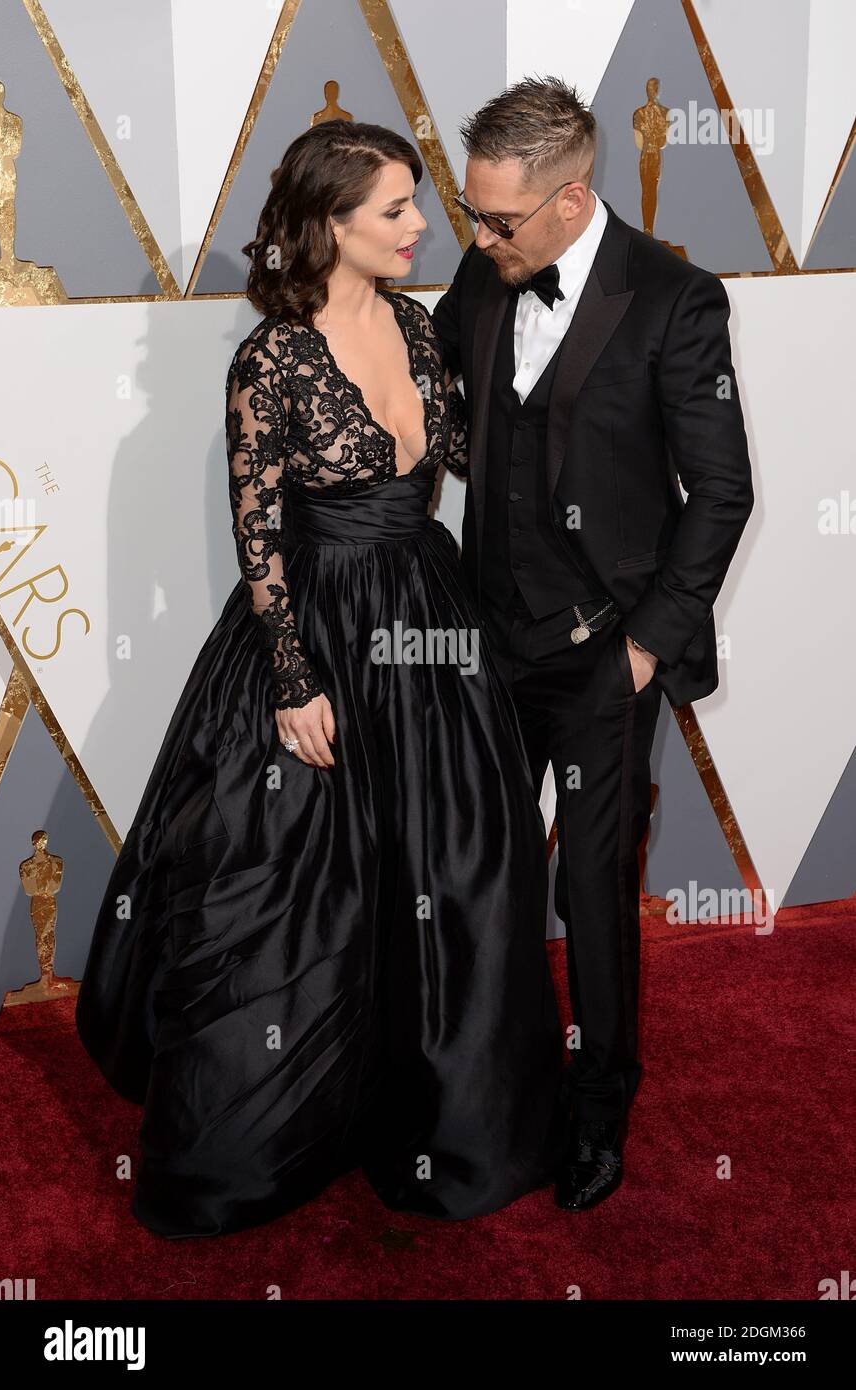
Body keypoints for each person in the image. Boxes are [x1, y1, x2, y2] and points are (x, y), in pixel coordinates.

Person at [75, 119, 566, 1239]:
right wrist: (292, 680)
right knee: (292, 888)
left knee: (457, 860)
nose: (418, 227)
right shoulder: (271, 358)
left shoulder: (418, 325)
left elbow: (464, 475)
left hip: (430, 625)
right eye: (393, 209)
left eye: (415, 205)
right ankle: (275, 1132)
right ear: (329, 224)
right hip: (319, 630)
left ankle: (447, 1119)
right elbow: (256, 534)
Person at [431, 77, 754, 1211]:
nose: (473, 238)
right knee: (478, 865)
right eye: (469, 211)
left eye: (496, 220)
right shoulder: (485, 273)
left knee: (591, 883)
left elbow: (721, 492)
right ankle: (483, 1074)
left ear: (570, 202)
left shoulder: (673, 300)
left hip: (600, 649)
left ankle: (601, 1090)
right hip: (485, 638)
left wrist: (644, 646)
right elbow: (440, 411)